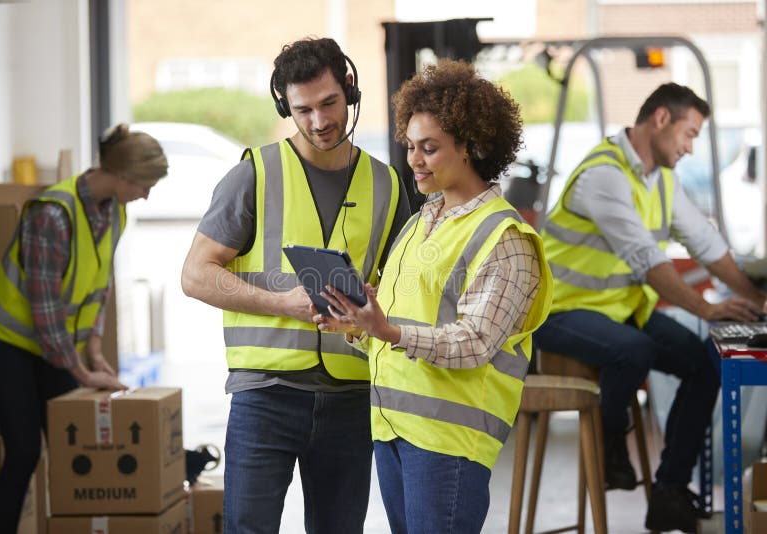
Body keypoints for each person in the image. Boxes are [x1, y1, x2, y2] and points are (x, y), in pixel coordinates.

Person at [180, 37, 410, 534]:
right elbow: (196, 275)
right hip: (266, 394)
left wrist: (376, 304)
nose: (319, 121)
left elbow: (402, 289)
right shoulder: (253, 175)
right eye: (303, 110)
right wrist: (281, 302)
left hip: (351, 396)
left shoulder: (389, 185)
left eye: (329, 103)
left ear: (349, 89)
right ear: (286, 106)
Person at [314, 59, 553, 534]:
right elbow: (401, 321)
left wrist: (388, 329)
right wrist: (359, 325)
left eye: (430, 148)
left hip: (449, 442)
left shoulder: (504, 237)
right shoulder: (421, 220)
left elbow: (475, 343)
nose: (415, 161)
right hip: (392, 428)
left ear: (470, 147)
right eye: (410, 147)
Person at [532, 82, 767, 533]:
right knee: (634, 350)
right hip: (559, 312)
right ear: (661, 119)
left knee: (705, 363)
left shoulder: (661, 180)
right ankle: (611, 446)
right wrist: (707, 309)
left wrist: (756, 300)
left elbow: (706, 243)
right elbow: (648, 261)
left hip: (617, 313)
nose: (690, 146)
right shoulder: (605, 175)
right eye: (689, 133)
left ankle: (669, 493)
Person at [0, 123, 167, 533]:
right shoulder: (52, 215)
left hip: (55, 341)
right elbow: (44, 311)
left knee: (70, 445)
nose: (146, 195)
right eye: (145, 186)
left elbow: (99, 283)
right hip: (8, 338)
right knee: (24, 452)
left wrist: (95, 348)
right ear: (122, 176)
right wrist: (81, 372)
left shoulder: (115, 211)